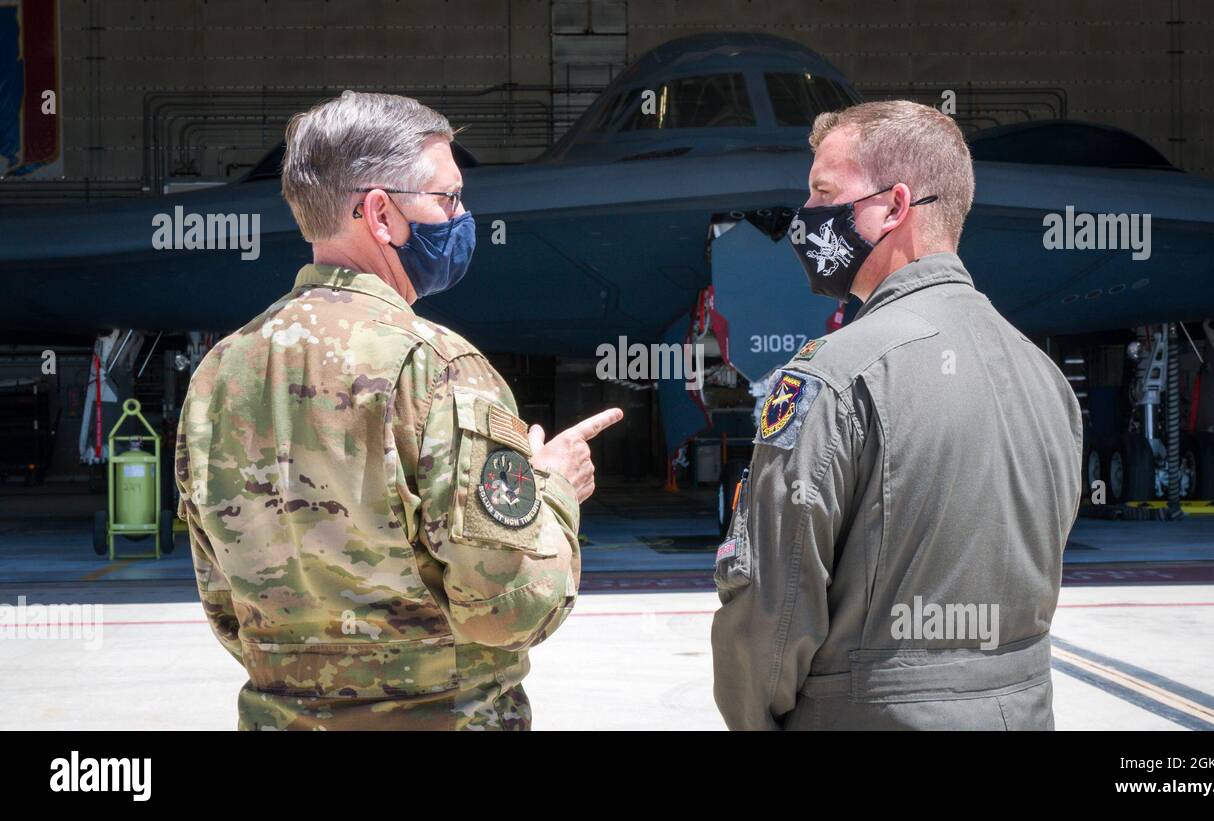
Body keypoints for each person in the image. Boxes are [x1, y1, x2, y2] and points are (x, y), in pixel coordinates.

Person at [175, 91, 622, 730]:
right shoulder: (436, 366)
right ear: (380, 213)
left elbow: (227, 609)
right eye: (448, 199)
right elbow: (510, 610)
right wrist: (552, 486)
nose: (463, 216)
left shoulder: (219, 373)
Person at [711, 100, 1082, 730]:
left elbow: (772, 613)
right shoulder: (1044, 377)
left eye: (824, 193)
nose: (804, 219)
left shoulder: (832, 377)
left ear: (894, 205)